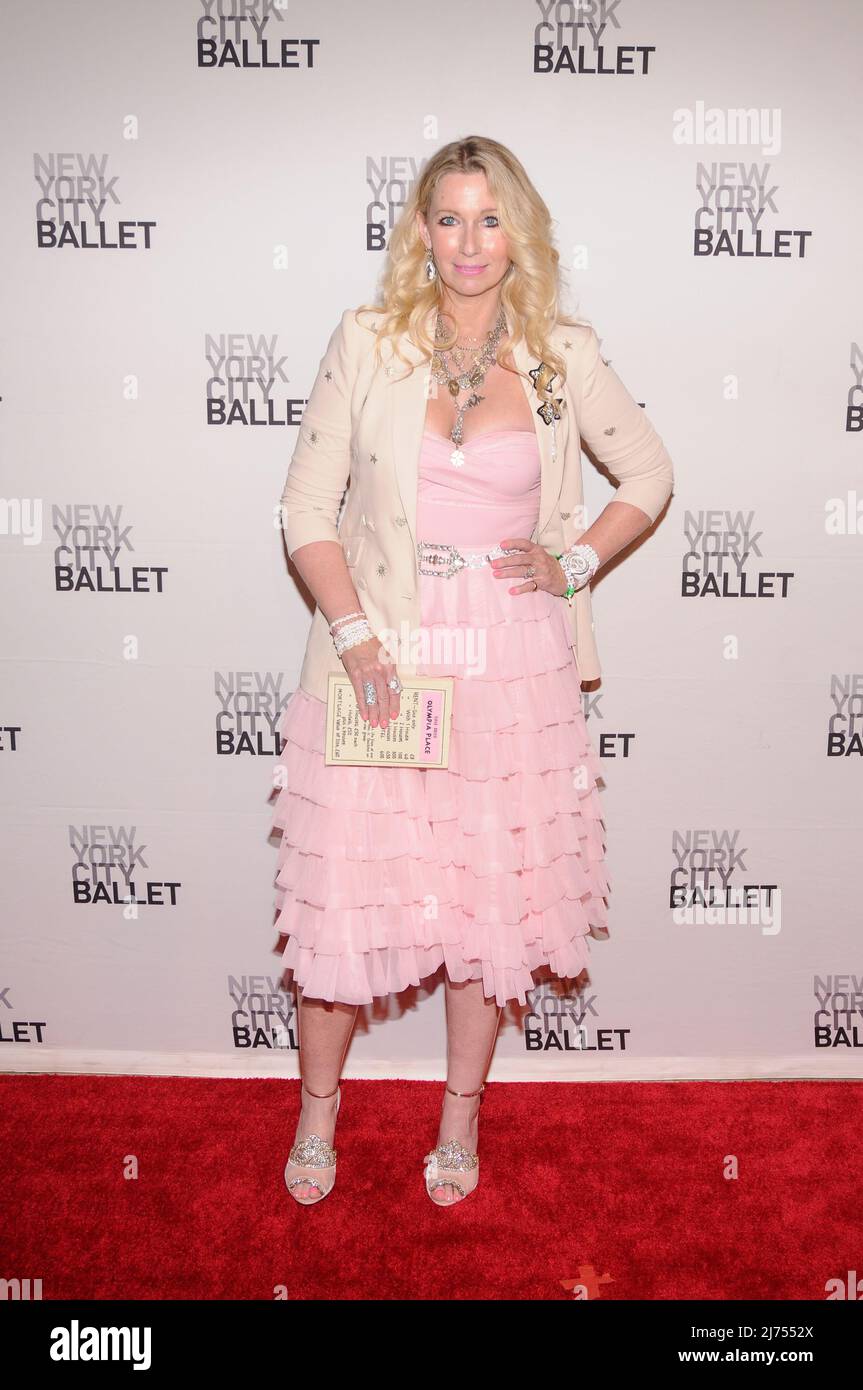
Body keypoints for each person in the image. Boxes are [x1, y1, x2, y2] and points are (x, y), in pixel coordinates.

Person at [271, 135, 674, 1207]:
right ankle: (318, 1113)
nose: (467, 242)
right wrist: (356, 640)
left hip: (507, 656)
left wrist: (574, 561)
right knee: (341, 898)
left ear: (520, 233)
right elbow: (305, 510)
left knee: (481, 906)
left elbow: (647, 469)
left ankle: (459, 1117)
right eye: (448, 218)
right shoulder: (367, 341)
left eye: (489, 219)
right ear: (419, 230)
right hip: (383, 652)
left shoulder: (559, 353)